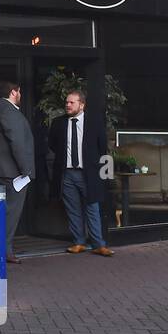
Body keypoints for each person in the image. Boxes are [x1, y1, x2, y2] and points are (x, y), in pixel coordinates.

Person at [48, 89, 113, 257]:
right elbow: (53, 145)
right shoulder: (58, 123)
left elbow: (102, 147)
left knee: (92, 208)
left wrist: (101, 171)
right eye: (67, 102)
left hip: (88, 173)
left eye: (72, 102)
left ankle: (99, 244)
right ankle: (79, 242)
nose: (67, 105)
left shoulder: (94, 122)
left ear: (82, 105)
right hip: (67, 174)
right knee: (73, 209)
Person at [0, 80, 34, 264]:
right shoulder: (9, 111)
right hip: (11, 172)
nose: (20, 95)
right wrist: (26, 170)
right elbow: (17, 143)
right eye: (19, 92)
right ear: (14, 92)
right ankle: (4, 250)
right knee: (10, 212)